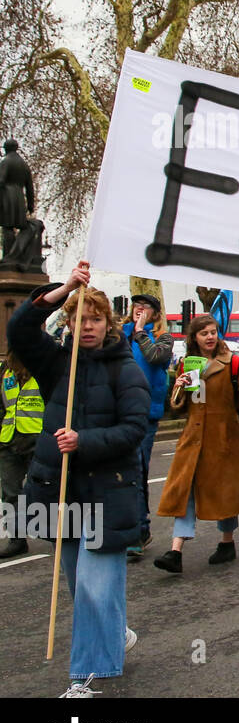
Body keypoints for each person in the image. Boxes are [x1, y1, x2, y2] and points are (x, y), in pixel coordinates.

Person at [10, 261, 149, 697]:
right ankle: (116, 633)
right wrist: (66, 286)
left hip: (109, 493)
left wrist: (83, 440)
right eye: (79, 318)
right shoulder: (56, 363)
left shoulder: (125, 368)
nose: (87, 326)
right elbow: (19, 331)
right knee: (79, 585)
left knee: (93, 584)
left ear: (108, 323)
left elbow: (134, 429)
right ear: (68, 322)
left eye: (95, 319)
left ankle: (87, 677)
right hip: (61, 493)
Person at [153, 314, 239, 574]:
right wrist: (179, 386)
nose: (210, 337)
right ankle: (175, 551)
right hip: (193, 439)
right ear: (194, 338)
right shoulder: (188, 363)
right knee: (184, 491)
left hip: (223, 438)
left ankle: (226, 542)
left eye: (213, 332)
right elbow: (179, 406)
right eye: (204, 333)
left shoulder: (233, 362)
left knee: (225, 492)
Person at [121, 292, 174, 561]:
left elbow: (155, 358)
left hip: (144, 413)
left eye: (145, 308)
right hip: (118, 410)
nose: (138, 310)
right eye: (136, 306)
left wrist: (141, 332)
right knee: (121, 472)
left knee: (138, 468)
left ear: (154, 313)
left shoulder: (163, 337)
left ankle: (140, 531)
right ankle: (126, 528)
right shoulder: (119, 334)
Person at [0, 349, 42, 558]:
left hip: (38, 437)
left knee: (40, 490)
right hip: (9, 439)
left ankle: (64, 532)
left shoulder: (42, 366)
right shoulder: (4, 370)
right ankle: (16, 539)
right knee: (9, 492)